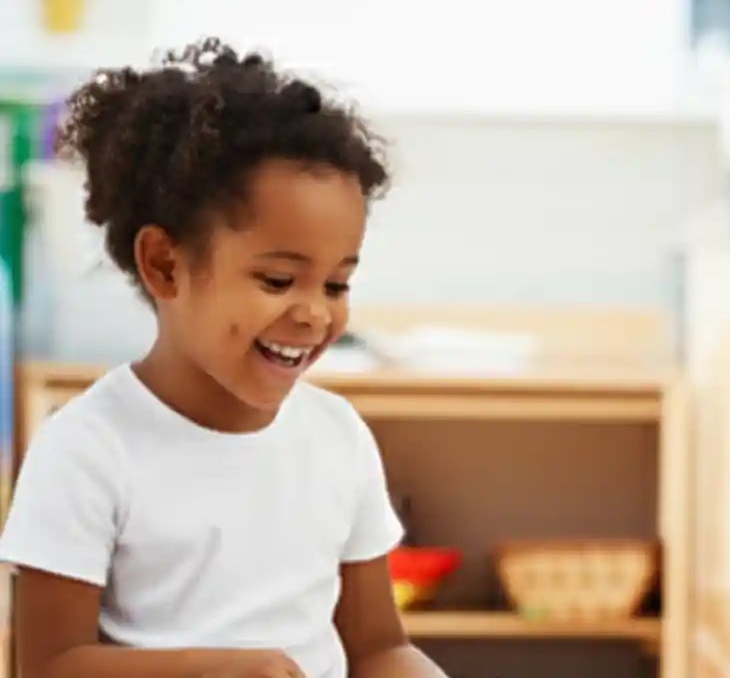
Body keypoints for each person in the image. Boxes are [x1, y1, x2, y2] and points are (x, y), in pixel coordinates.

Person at [0, 39, 448, 678]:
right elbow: (48, 666)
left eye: (337, 284)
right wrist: (219, 669)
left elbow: (378, 648)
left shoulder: (337, 437)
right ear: (164, 265)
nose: (316, 314)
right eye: (276, 281)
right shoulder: (88, 448)